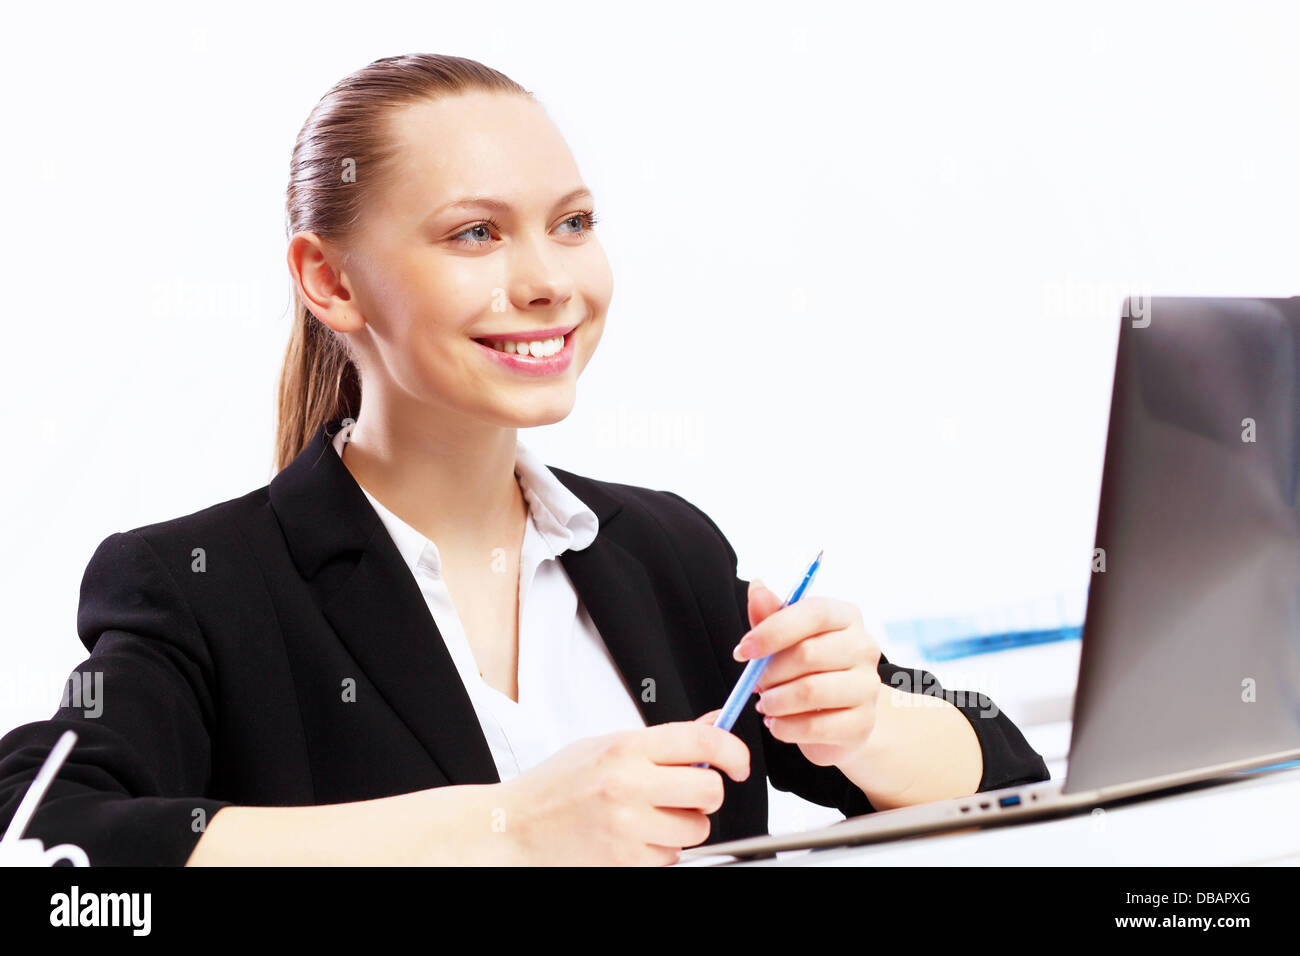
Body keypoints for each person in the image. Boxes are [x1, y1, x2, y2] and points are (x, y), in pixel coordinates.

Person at [0, 53, 1048, 866]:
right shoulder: (203, 587)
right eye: (474, 234)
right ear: (330, 282)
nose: (550, 279)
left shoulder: (659, 546)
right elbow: (47, 840)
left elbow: (1001, 759)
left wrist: (863, 722)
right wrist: (510, 827)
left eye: (573, 222)